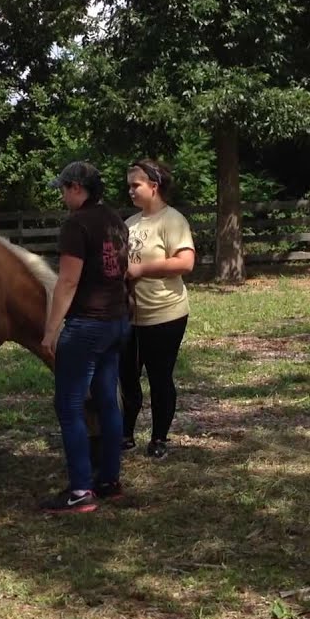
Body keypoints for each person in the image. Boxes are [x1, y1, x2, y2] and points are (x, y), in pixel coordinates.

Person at [39, 161, 130, 514]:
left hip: (87, 325)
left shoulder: (76, 225)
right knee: (107, 400)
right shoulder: (114, 219)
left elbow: (68, 281)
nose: (62, 195)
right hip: (117, 320)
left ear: (77, 187)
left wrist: (51, 330)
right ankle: (109, 480)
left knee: (69, 405)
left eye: (63, 188)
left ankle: (80, 491)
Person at [120, 158, 195, 459]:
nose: (130, 191)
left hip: (165, 314)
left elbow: (185, 262)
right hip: (130, 316)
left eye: (135, 185)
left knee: (159, 377)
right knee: (126, 376)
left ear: (154, 186)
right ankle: (125, 433)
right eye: (129, 186)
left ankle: (159, 438)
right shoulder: (129, 224)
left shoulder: (172, 220)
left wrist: (142, 270)